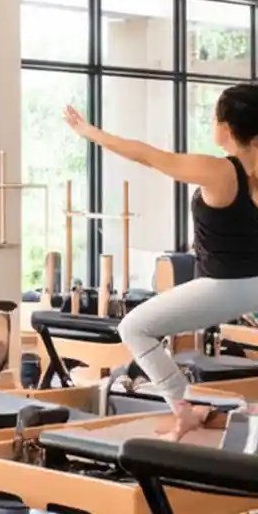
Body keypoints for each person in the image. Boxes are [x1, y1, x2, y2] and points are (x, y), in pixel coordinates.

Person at [63, 86, 258, 441]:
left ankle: (185, 410)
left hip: (225, 286)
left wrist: (89, 132)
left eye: (215, 117)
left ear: (226, 128)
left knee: (134, 327)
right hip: (252, 286)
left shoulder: (221, 171)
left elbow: (148, 156)